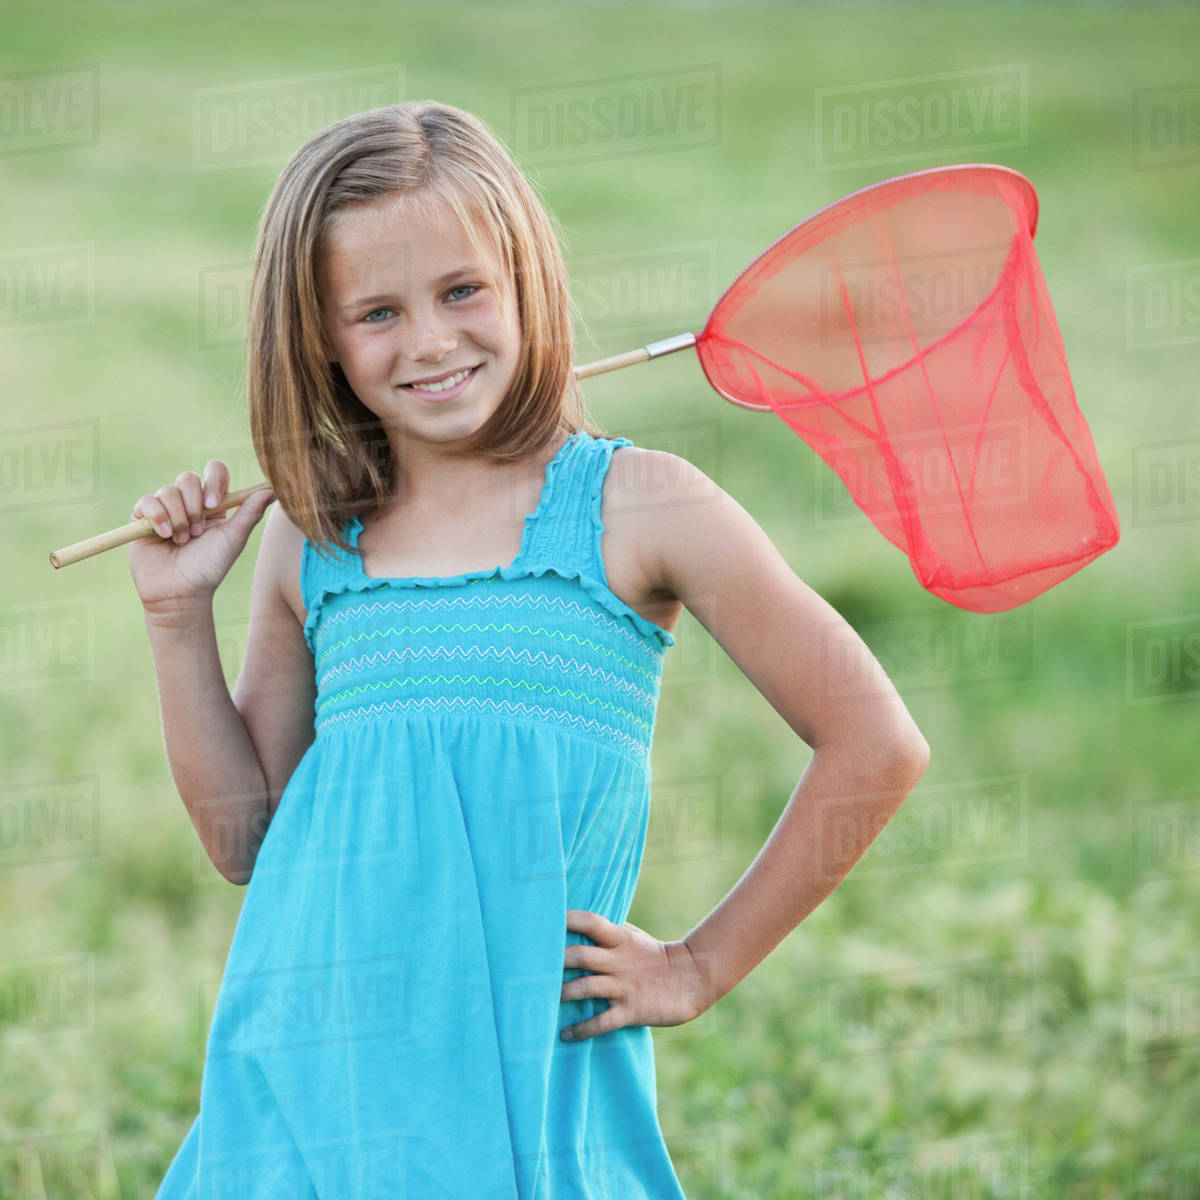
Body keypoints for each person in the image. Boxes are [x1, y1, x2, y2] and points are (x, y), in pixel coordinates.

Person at [129, 100, 930, 1199]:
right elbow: (241, 844)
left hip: (521, 1093)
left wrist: (699, 965)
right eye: (376, 312)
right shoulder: (313, 537)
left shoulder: (641, 509)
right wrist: (178, 622)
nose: (431, 341)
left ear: (525, 281)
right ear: (316, 336)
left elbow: (875, 740)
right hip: (307, 1091)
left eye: (463, 290)